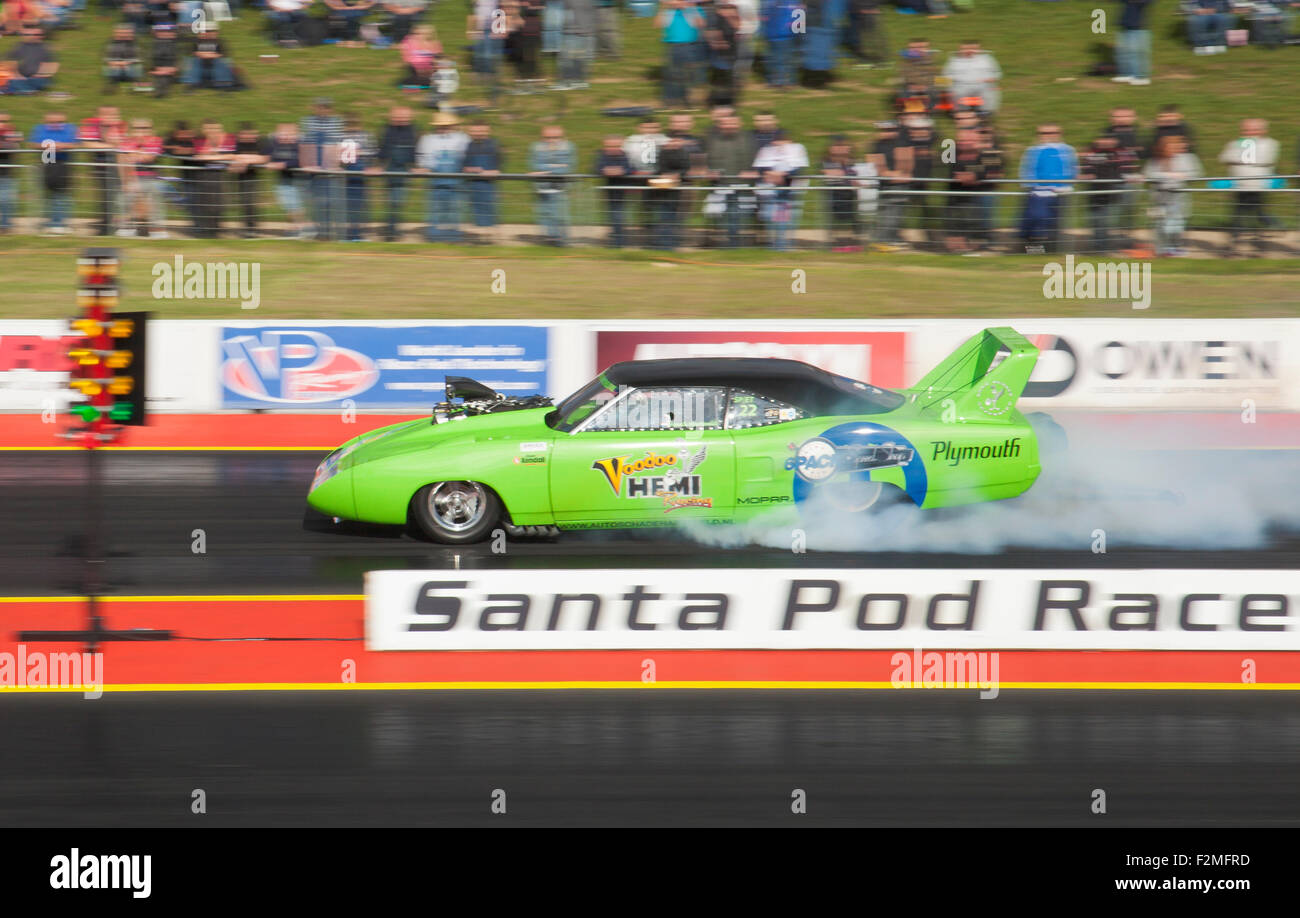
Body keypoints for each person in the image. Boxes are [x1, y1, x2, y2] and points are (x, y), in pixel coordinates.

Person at [1018, 123, 1077, 253]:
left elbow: (1072, 169)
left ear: (1059, 134)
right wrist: (1030, 187)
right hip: (1038, 192)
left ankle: (1051, 251)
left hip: (1060, 192)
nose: (1048, 136)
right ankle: (1034, 250)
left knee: (1055, 222)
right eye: (1044, 133)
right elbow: (1026, 169)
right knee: (1036, 219)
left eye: (1052, 133)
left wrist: (1067, 186)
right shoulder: (1033, 151)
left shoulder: (1067, 150)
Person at [1218, 118, 1280, 238]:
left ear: (1262, 131)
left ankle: (1275, 226)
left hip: (1257, 186)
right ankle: (1235, 238)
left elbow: (1264, 159)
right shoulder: (1235, 143)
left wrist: (1238, 158)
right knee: (1240, 213)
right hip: (1239, 185)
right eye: (1246, 130)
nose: (1249, 133)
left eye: (1253, 130)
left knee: (1255, 212)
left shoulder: (1270, 144)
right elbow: (1223, 157)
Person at [1144, 134, 1202, 256]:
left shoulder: (1185, 158)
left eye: (1174, 146)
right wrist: (1167, 175)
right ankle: (1162, 249)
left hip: (1178, 197)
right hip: (1160, 196)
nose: (1172, 149)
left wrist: (1184, 176)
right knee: (1161, 224)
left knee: (1176, 225)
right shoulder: (1155, 160)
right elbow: (1148, 174)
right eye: (1168, 146)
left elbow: (1195, 174)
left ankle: (1174, 247)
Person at [704, 112, 756, 247]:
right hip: (720, 184)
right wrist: (710, 171)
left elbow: (755, 158)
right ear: (721, 125)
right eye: (726, 123)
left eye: (732, 123)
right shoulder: (714, 140)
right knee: (715, 214)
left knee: (735, 214)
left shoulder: (748, 139)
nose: (729, 126)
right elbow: (708, 159)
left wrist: (753, 171)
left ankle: (733, 243)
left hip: (741, 185)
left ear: (739, 123)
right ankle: (718, 242)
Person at [416, 110, 468, 242]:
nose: (444, 128)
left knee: (454, 208)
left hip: (455, 179)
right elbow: (422, 157)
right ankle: (434, 236)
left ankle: (453, 236)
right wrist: (424, 167)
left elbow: (467, 156)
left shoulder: (462, 138)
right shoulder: (428, 139)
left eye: (447, 125)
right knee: (435, 208)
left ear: (453, 125)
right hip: (435, 179)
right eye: (441, 125)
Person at [752, 128, 807, 251]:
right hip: (770, 191)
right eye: (777, 141)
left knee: (785, 222)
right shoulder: (767, 151)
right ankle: (774, 246)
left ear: (789, 140)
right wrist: (774, 175)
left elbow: (798, 170)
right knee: (770, 219)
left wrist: (782, 175)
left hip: (788, 192)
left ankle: (783, 247)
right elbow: (761, 169)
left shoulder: (797, 149)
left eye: (782, 141)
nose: (779, 144)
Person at [299, 97, 344, 239]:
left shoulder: (336, 122)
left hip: (330, 167)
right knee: (317, 201)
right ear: (314, 108)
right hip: (314, 168)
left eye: (325, 107)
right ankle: (320, 231)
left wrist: (336, 164)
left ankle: (330, 230)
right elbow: (305, 143)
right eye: (319, 107)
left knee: (331, 200)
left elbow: (338, 143)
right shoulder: (307, 121)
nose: (322, 110)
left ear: (330, 109)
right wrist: (307, 164)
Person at [79, 105, 127, 236]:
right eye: (106, 114)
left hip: (118, 166)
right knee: (106, 198)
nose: (111, 117)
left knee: (116, 197)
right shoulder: (91, 124)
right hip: (101, 167)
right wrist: (110, 146)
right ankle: (107, 227)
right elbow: (87, 144)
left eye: (114, 114)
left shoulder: (119, 127)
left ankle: (115, 226)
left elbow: (121, 147)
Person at [527, 123, 575, 246]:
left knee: (561, 215)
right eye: (547, 138)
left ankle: (562, 242)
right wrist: (556, 167)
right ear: (541, 137)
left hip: (561, 188)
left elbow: (568, 168)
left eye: (555, 137)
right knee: (545, 214)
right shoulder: (535, 147)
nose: (551, 141)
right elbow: (534, 166)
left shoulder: (569, 147)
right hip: (542, 187)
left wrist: (546, 170)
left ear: (562, 137)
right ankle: (550, 241)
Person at [375, 105, 417, 240]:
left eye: (405, 117)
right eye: (398, 117)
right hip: (390, 168)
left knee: (398, 200)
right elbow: (383, 150)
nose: (401, 119)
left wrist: (414, 165)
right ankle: (391, 230)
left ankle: (392, 228)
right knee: (392, 201)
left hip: (404, 169)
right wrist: (380, 165)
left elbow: (414, 150)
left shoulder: (413, 131)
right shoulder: (387, 130)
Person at [119, 117, 166, 238]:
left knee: (153, 201)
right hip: (131, 177)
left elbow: (149, 158)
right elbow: (123, 158)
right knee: (128, 201)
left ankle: (156, 229)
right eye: (138, 128)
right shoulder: (126, 141)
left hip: (150, 178)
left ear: (151, 129)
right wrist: (138, 154)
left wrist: (133, 155)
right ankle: (129, 227)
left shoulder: (157, 140)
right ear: (132, 129)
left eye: (145, 128)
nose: (141, 131)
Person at [192, 119, 235, 238]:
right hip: (204, 175)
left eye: (215, 128)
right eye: (208, 128)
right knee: (205, 203)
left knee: (219, 203)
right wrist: (219, 156)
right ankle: (207, 229)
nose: (212, 131)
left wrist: (211, 156)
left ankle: (215, 229)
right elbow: (199, 157)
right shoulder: (199, 140)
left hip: (219, 174)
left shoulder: (227, 139)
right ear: (203, 129)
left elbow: (231, 156)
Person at [267, 122, 310, 238]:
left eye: (289, 133)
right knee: (288, 206)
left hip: (298, 180)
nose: (285, 136)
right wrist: (273, 163)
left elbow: (300, 160)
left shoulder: (298, 144)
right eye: (282, 133)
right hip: (283, 180)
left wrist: (283, 164)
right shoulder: (275, 144)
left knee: (296, 206)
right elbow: (270, 156)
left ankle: (302, 228)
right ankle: (295, 228)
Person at [659, 0, 705, 105]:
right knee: (670, 74)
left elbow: (701, 24)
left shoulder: (695, 10)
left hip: (689, 46)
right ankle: (669, 101)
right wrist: (663, 7)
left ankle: (686, 100)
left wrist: (690, 8)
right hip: (672, 46)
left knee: (687, 75)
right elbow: (658, 24)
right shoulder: (670, 12)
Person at [461, 120, 502, 240]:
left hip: (489, 185)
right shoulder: (468, 146)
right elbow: (464, 167)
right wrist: (472, 169)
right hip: (473, 185)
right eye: (474, 131)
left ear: (488, 130)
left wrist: (488, 172)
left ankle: (490, 239)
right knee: (475, 212)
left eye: (481, 131)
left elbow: (498, 169)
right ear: (470, 132)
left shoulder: (494, 145)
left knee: (489, 210)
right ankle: (479, 239)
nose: (477, 133)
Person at [230, 122, 271, 238]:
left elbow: (264, 158)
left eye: (250, 135)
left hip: (253, 177)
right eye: (245, 135)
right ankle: (247, 227)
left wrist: (245, 160)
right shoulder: (237, 143)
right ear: (240, 135)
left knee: (251, 202)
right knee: (244, 202)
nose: (248, 137)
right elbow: (232, 158)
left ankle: (253, 228)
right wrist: (247, 159)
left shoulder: (260, 142)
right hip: (240, 177)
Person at [337, 113, 374, 240]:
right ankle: (348, 232)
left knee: (358, 204)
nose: (352, 127)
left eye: (354, 124)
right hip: (346, 173)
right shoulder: (341, 137)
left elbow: (373, 151)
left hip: (360, 173)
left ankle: (357, 232)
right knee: (346, 204)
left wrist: (359, 152)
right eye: (350, 124)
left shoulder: (365, 136)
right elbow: (337, 155)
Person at [822, 136, 860, 251]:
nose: (841, 149)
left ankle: (850, 243)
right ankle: (838, 244)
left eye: (843, 146)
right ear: (831, 149)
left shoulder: (853, 163)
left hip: (851, 197)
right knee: (838, 223)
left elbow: (859, 179)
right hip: (835, 197)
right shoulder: (826, 162)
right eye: (837, 146)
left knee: (851, 222)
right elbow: (829, 174)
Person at [941, 39, 1000, 114]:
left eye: (974, 49)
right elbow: (944, 76)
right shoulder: (954, 61)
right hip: (960, 85)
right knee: (956, 93)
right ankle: (960, 112)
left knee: (990, 91)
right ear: (960, 49)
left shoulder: (987, 59)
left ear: (979, 49)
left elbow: (996, 72)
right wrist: (947, 85)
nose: (969, 51)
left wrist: (993, 78)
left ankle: (985, 113)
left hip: (982, 85)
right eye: (965, 49)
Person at [594, 133, 632, 247]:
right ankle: (615, 240)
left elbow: (629, 168)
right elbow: (597, 168)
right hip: (609, 190)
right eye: (610, 146)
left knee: (618, 215)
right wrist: (605, 171)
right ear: (605, 146)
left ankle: (618, 242)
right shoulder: (602, 155)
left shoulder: (625, 155)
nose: (613, 149)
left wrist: (622, 171)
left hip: (622, 190)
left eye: (616, 146)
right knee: (613, 215)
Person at [163, 120, 201, 235]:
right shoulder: (172, 138)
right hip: (186, 174)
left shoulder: (194, 138)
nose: (182, 137)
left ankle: (199, 225)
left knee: (197, 201)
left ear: (189, 132)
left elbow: (196, 150)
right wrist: (177, 149)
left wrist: (181, 150)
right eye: (179, 135)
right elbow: (165, 147)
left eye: (184, 134)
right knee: (191, 201)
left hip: (199, 174)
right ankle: (196, 226)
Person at [2, 23, 59, 94]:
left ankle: (17, 89)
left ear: (43, 36)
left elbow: (52, 66)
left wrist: (39, 75)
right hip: (22, 76)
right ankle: (25, 89)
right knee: (11, 79)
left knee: (35, 82)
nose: (34, 36)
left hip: (39, 78)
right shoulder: (21, 46)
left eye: (38, 35)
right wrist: (17, 74)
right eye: (33, 34)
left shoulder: (46, 48)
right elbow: (9, 60)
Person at [761, 0, 800, 89]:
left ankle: (785, 82)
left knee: (784, 60)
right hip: (772, 35)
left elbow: (798, 16)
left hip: (785, 35)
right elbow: (765, 16)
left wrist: (797, 33)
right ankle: (775, 81)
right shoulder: (769, 2)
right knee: (773, 60)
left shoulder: (791, 2)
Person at [1114, 0, 1152, 85]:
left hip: (1138, 26)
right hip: (1126, 23)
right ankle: (1126, 74)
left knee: (1136, 53)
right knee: (1123, 52)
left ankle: (1141, 77)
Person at [103, 23, 143, 92]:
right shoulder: (111, 44)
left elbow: (138, 58)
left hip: (129, 67)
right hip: (116, 65)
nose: (123, 35)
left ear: (131, 34)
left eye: (126, 33)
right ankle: (111, 85)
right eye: (121, 33)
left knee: (135, 69)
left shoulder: (135, 44)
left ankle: (136, 86)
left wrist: (127, 63)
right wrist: (115, 63)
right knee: (113, 69)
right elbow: (107, 57)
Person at [0, 111, 20, 233]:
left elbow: (16, 147)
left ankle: (6, 225)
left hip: (6, 172)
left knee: (5, 199)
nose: (2, 124)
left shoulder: (13, 131)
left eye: (4, 121)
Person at [149, 21, 180, 97]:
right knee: (160, 77)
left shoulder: (177, 46)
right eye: (161, 31)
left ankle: (162, 91)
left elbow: (180, 60)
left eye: (168, 32)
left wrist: (173, 69)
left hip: (171, 69)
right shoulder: (152, 45)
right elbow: (148, 59)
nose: (165, 34)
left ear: (174, 34)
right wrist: (155, 69)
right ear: (156, 33)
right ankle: (159, 91)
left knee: (165, 77)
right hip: (157, 69)